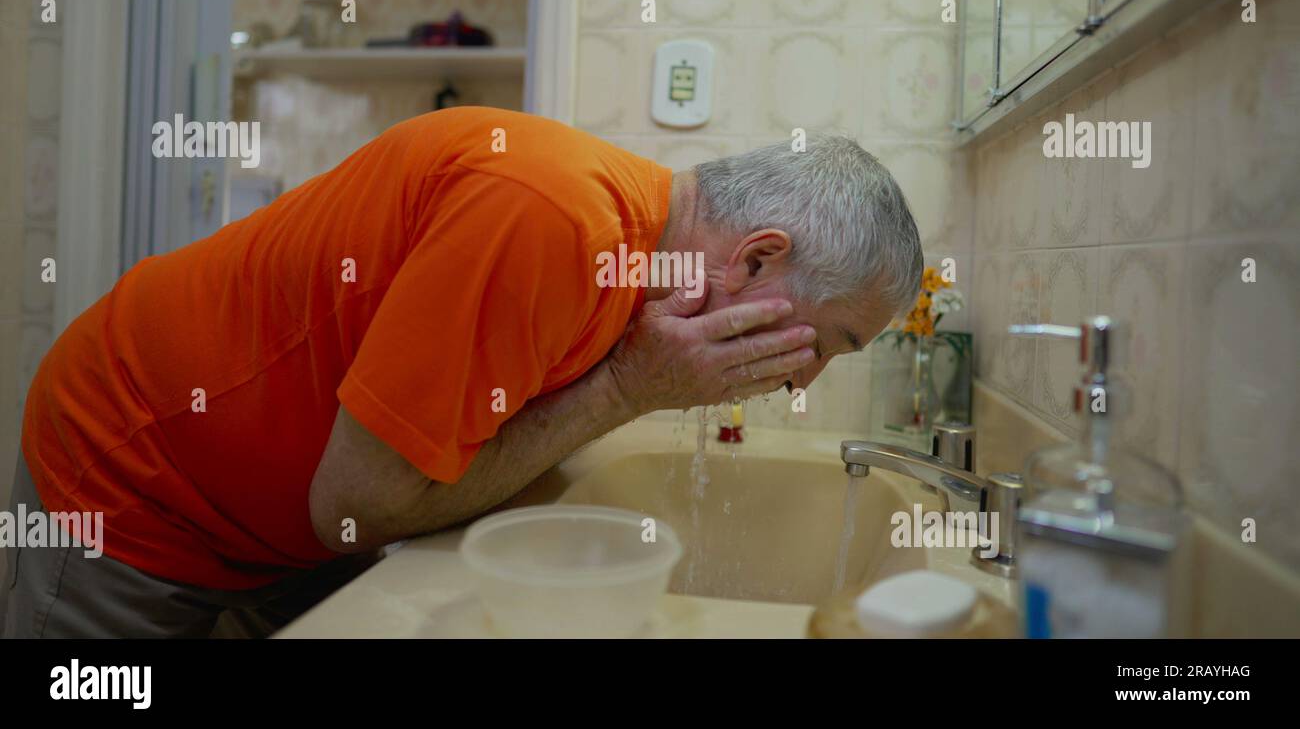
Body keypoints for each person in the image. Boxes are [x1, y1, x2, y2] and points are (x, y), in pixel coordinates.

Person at [1, 106, 922, 637]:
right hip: (129, 477)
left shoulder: (627, 263)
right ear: (756, 261)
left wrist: (632, 379)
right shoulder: (558, 225)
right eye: (829, 342)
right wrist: (626, 390)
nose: (801, 383)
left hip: (258, 531)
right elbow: (357, 504)